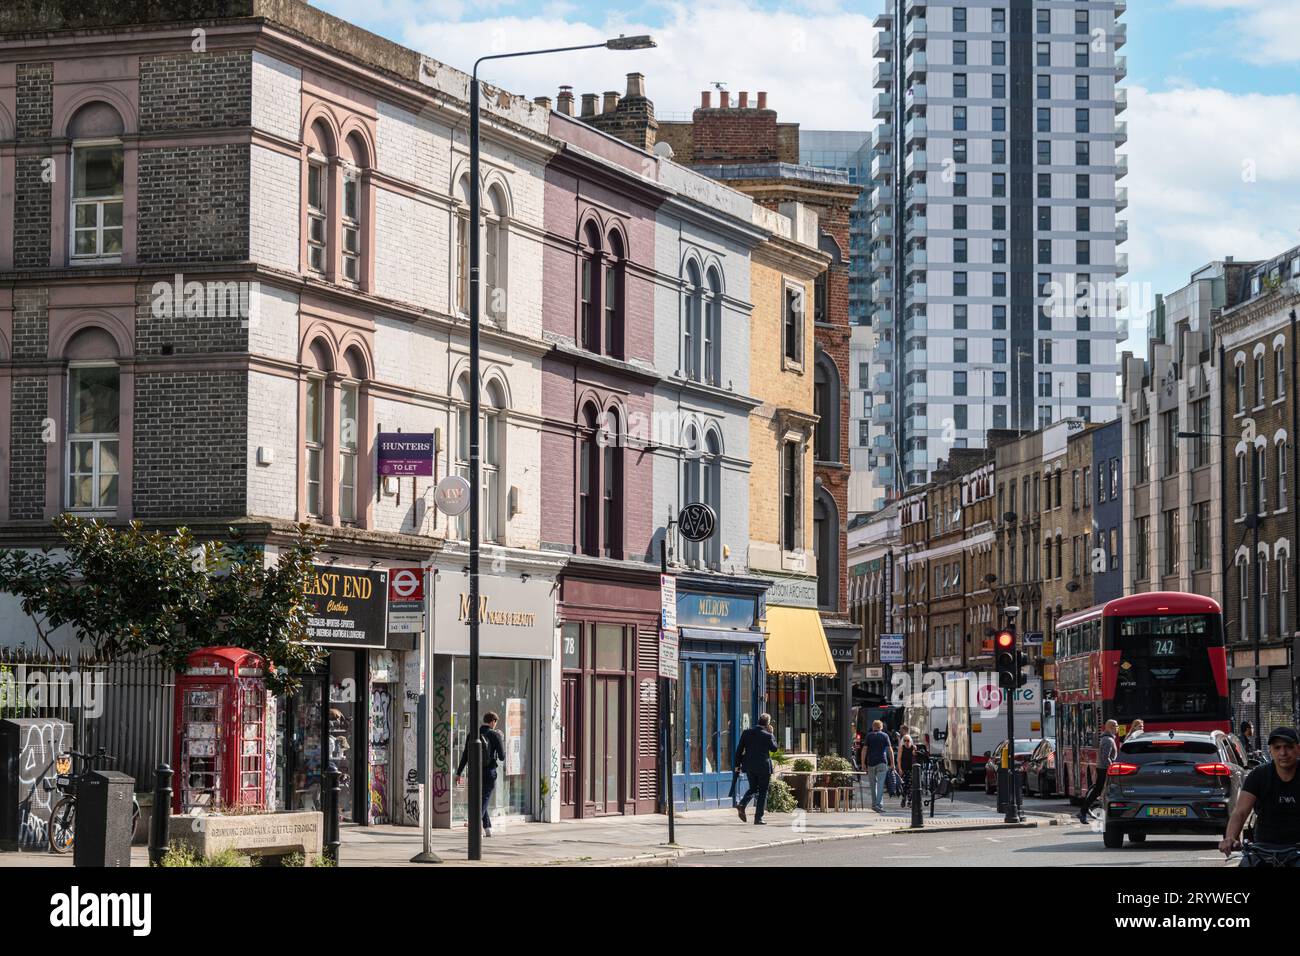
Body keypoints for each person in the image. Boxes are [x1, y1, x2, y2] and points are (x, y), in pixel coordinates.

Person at [1220, 727, 1300, 863]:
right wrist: (1230, 837)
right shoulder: (1258, 775)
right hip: (1263, 848)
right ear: (1270, 751)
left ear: (1298, 749)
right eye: (1277, 748)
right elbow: (1240, 812)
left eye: (1288, 747)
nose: (1283, 753)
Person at [455, 711, 507, 837]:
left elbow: (465, 755)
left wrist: (459, 772)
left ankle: (488, 827)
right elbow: (502, 757)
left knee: (479, 798)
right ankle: (475, 822)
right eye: (495, 722)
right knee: (484, 798)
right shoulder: (495, 735)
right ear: (493, 721)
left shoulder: (472, 734)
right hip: (489, 772)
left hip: (474, 772)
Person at [734, 713, 779, 824]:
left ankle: (742, 804)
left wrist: (736, 765)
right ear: (767, 723)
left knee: (753, 788)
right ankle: (758, 818)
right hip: (763, 767)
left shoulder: (747, 733)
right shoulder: (768, 735)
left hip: (749, 766)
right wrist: (772, 734)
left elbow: (739, 750)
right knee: (763, 792)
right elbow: (774, 749)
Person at [1078, 719, 1119, 824]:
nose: (1118, 728)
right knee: (1099, 790)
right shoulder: (1108, 740)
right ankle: (1083, 811)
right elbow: (1106, 757)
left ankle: (1084, 810)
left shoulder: (1108, 739)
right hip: (1104, 769)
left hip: (1103, 768)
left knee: (1099, 790)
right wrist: (1112, 768)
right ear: (1110, 727)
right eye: (1116, 726)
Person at [864, 719, 895, 813]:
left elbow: (864, 750)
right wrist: (892, 763)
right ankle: (878, 804)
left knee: (873, 785)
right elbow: (890, 750)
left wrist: (862, 763)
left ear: (873, 727)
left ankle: (874, 804)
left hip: (871, 763)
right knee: (881, 785)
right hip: (882, 762)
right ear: (881, 727)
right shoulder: (885, 736)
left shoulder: (869, 736)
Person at [896, 734, 917, 807]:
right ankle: (904, 798)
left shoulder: (913, 748)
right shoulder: (901, 748)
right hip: (904, 769)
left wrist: (914, 753)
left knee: (911, 785)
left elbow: (915, 759)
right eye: (905, 741)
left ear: (910, 741)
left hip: (911, 769)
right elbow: (899, 759)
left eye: (908, 740)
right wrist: (900, 769)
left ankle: (909, 801)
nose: (906, 742)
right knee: (904, 785)